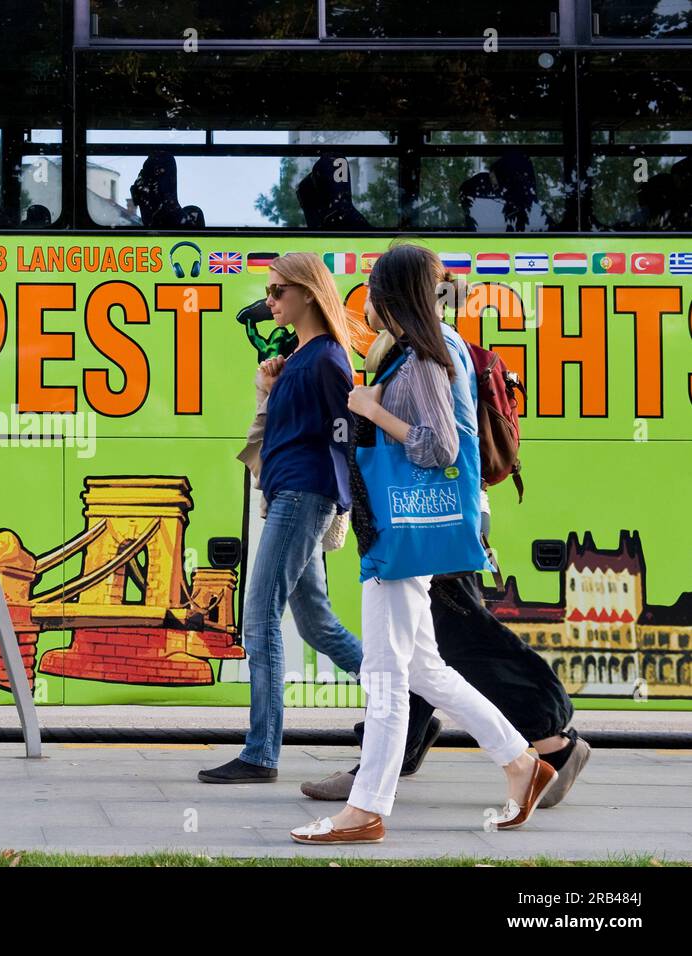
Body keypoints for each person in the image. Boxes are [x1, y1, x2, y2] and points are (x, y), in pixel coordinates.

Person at [291, 243, 557, 844]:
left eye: (372, 289)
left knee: (386, 672)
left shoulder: (422, 359)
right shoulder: (430, 349)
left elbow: (438, 448)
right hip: (407, 528)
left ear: (390, 296)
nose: (365, 301)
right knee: (422, 667)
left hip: (404, 531)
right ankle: (521, 762)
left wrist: (370, 408)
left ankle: (365, 809)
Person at [198, 252, 363, 784]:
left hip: (302, 496)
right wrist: (273, 389)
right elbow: (293, 429)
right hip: (292, 494)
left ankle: (261, 753)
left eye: (277, 291)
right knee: (316, 623)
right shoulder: (302, 357)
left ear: (308, 293)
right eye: (268, 292)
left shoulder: (326, 359)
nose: (268, 301)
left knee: (259, 618)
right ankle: (406, 699)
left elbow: (346, 434)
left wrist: (338, 500)